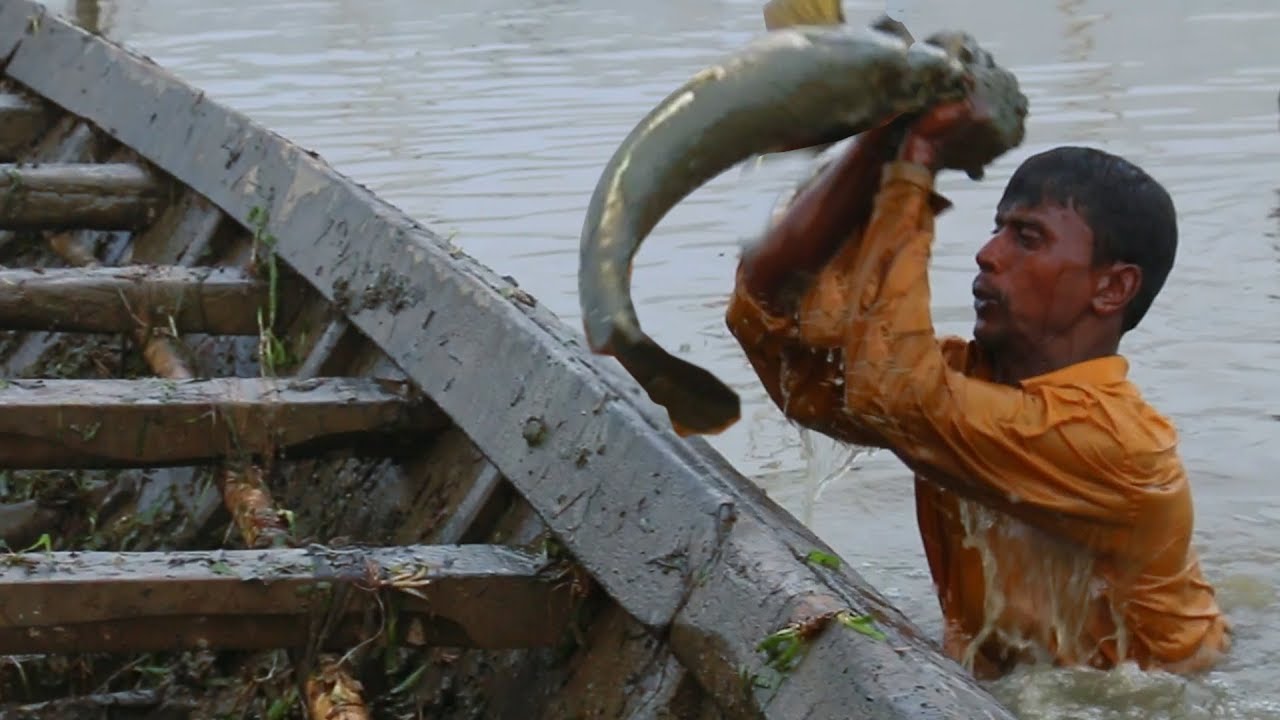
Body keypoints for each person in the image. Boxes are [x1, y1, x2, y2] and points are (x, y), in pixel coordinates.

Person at [724, 99, 1231, 678]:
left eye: (1027, 238)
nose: (987, 253)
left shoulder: (1120, 445)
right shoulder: (962, 386)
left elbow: (897, 393)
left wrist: (915, 162)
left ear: (1113, 288)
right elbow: (778, 334)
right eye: (997, 230)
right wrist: (871, 151)